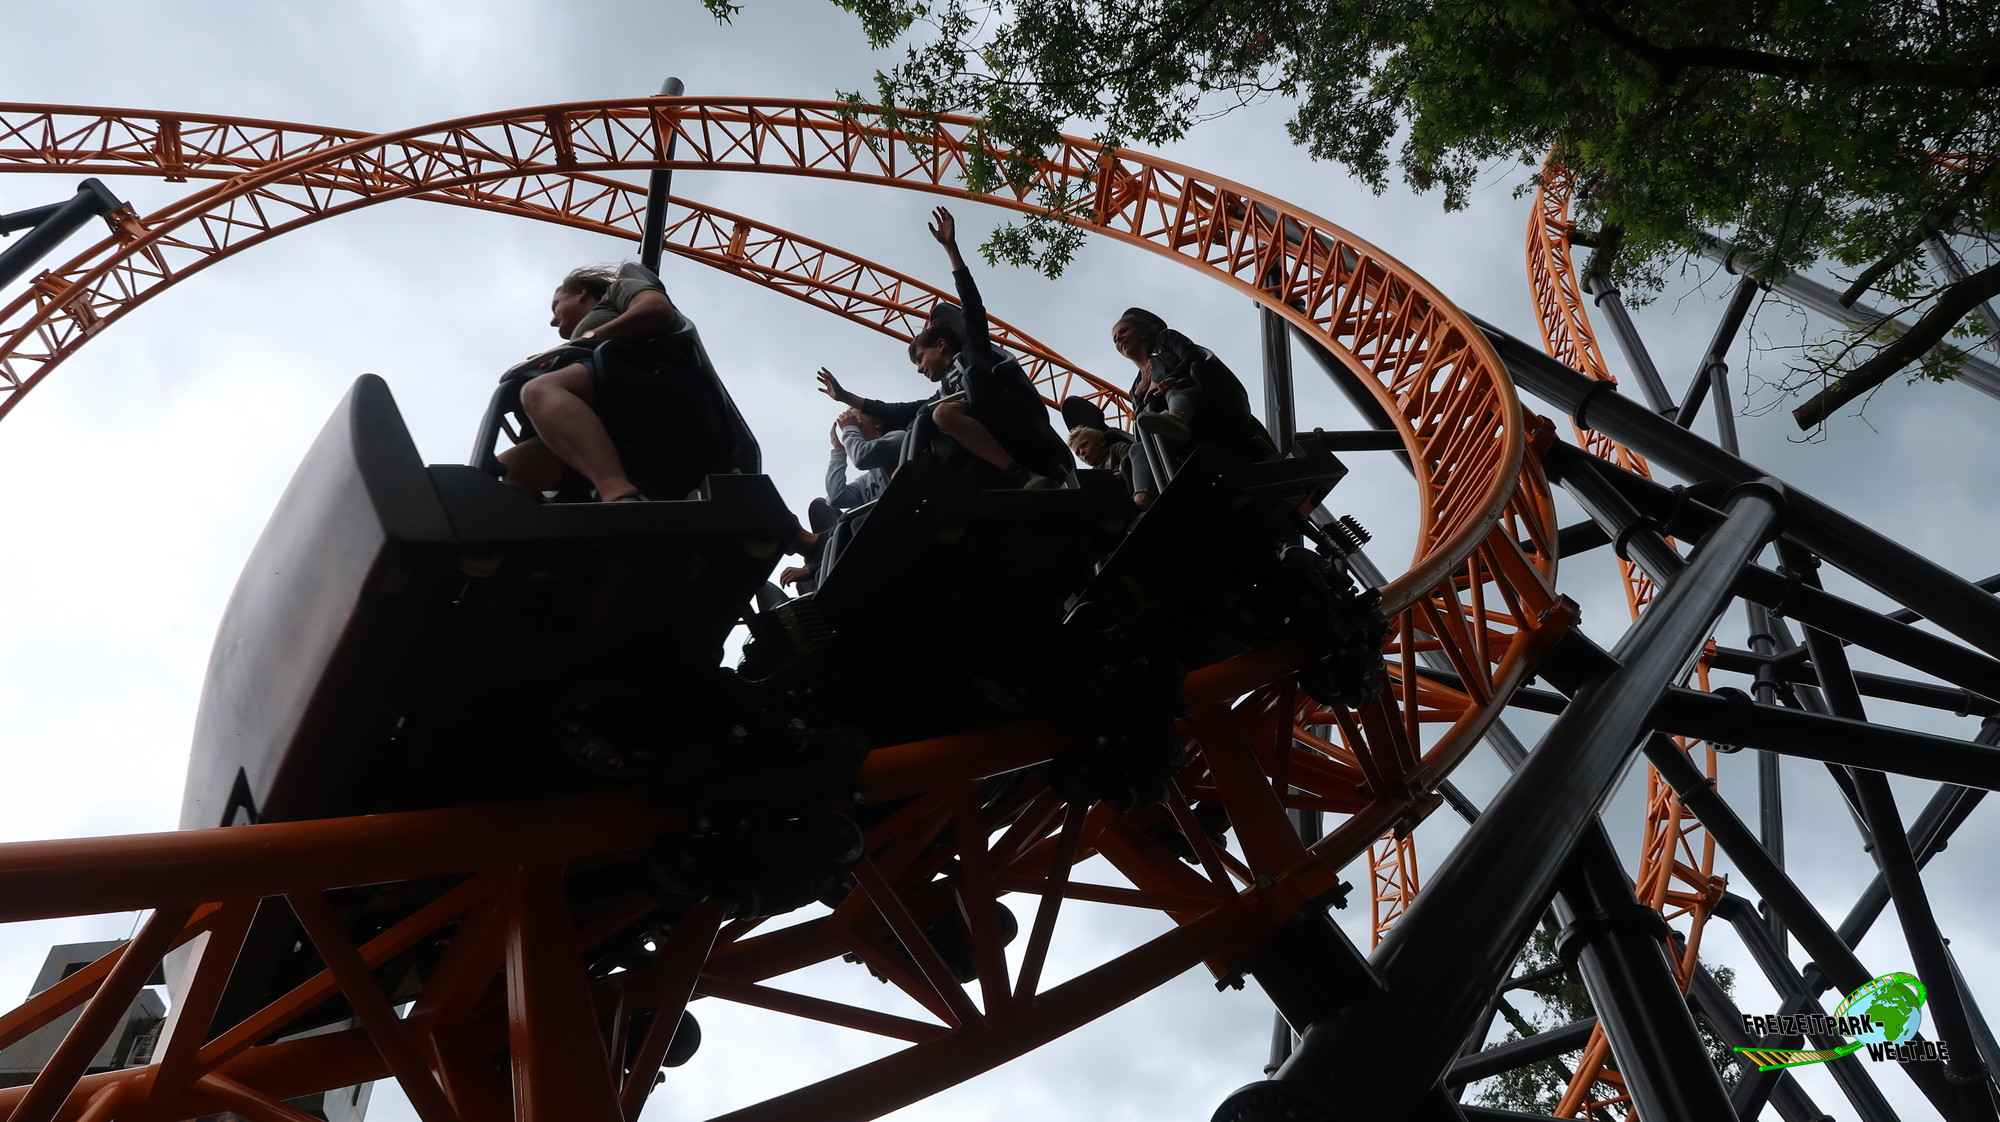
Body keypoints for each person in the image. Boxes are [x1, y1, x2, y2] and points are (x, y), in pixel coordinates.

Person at [817, 207, 1073, 488]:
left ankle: (1020, 475)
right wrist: (845, 397)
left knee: (940, 414)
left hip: (1019, 422)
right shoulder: (948, 390)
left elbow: (973, 308)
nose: (919, 370)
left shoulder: (975, 355)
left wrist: (952, 250)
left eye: (920, 359)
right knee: (925, 416)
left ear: (940, 345)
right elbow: (901, 410)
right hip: (994, 432)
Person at [498, 262, 723, 502]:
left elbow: (656, 308)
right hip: (598, 411)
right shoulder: (574, 348)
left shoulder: (618, 291)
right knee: (505, 469)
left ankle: (617, 491)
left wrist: (593, 336)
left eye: (556, 305)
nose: (552, 321)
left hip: (636, 384)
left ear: (581, 293)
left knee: (539, 391)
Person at [1109, 307, 1277, 503]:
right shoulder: (1135, 388)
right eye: (1114, 339)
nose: (1119, 339)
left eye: (1124, 331)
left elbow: (1193, 357)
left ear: (1143, 333)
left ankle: (1176, 418)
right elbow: (1142, 424)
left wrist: (1168, 380)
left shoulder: (1165, 340)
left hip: (1204, 406)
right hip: (1168, 442)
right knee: (1137, 447)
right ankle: (1144, 495)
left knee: (1174, 391)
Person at [1060, 396, 1139, 497]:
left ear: (1100, 441)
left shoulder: (1116, 448)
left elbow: (1131, 457)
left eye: (1084, 445)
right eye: (1078, 453)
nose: (1082, 453)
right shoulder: (1093, 474)